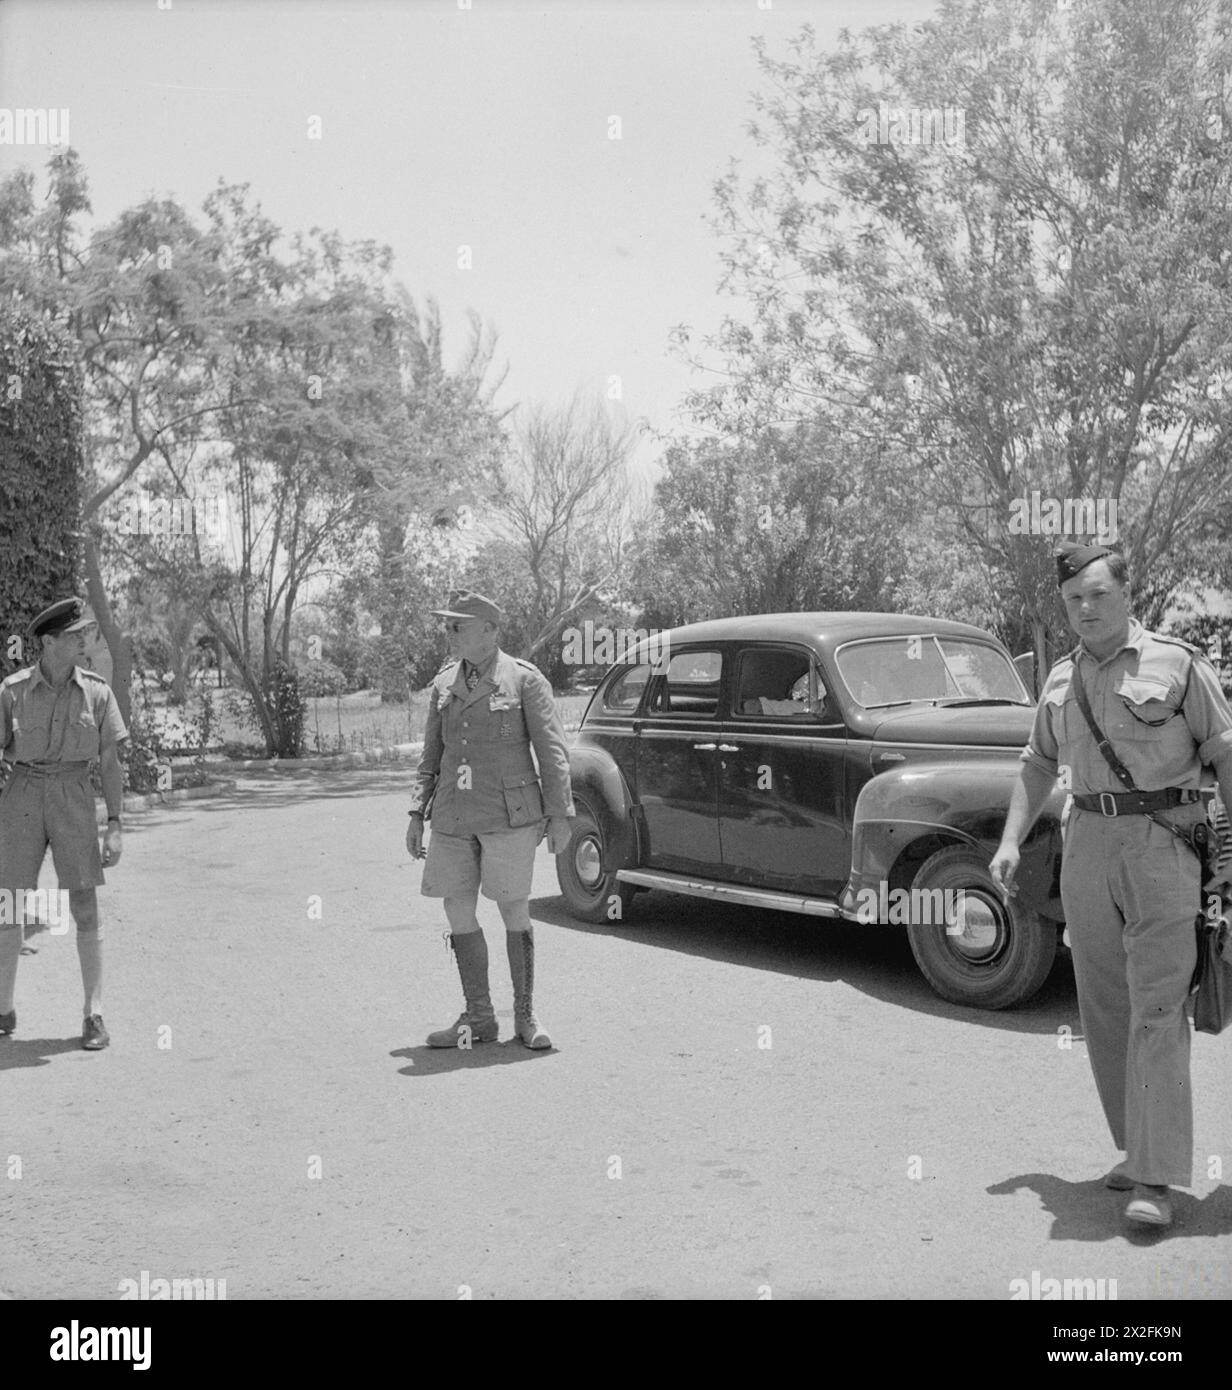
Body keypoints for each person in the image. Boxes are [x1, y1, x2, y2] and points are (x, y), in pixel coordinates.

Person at [991, 543, 1232, 1227]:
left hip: (1163, 844)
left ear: (1128, 594)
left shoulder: (1178, 664)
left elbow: (1225, 756)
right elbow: (1038, 764)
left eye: (1098, 594)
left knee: (1158, 1004)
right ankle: (1136, 1151)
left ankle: (1156, 1179)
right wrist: (1010, 840)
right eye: (1073, 600)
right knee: (1104, 1004)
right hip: (1088, 843)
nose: (1086, 608)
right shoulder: (1061, 677)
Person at [406, 590, 574, 1049]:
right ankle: (479, 1016)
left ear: (489, 631)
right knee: (457, 907)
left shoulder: (524, 680)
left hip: (509, 815)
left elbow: (553, 752)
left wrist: (560, 815)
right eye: (449, 625)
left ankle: (524, 1015)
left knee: (512, 908)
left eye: (458, 625)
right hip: (453, 815)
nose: (450, 632)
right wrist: (416, 812)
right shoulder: (443, 684)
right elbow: (431, 756)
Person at [0, 597, 128, 1049]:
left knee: (85, 905)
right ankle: (3, 1007)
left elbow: (109, 762)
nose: (84, 642)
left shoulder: (97, 691)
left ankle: (94, 1013)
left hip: (74, 795)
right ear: (50, 642)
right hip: (23, 795)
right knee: (8, 904)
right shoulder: (11, 692)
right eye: (76, 637)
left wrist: (114, 822)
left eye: (85, 635)